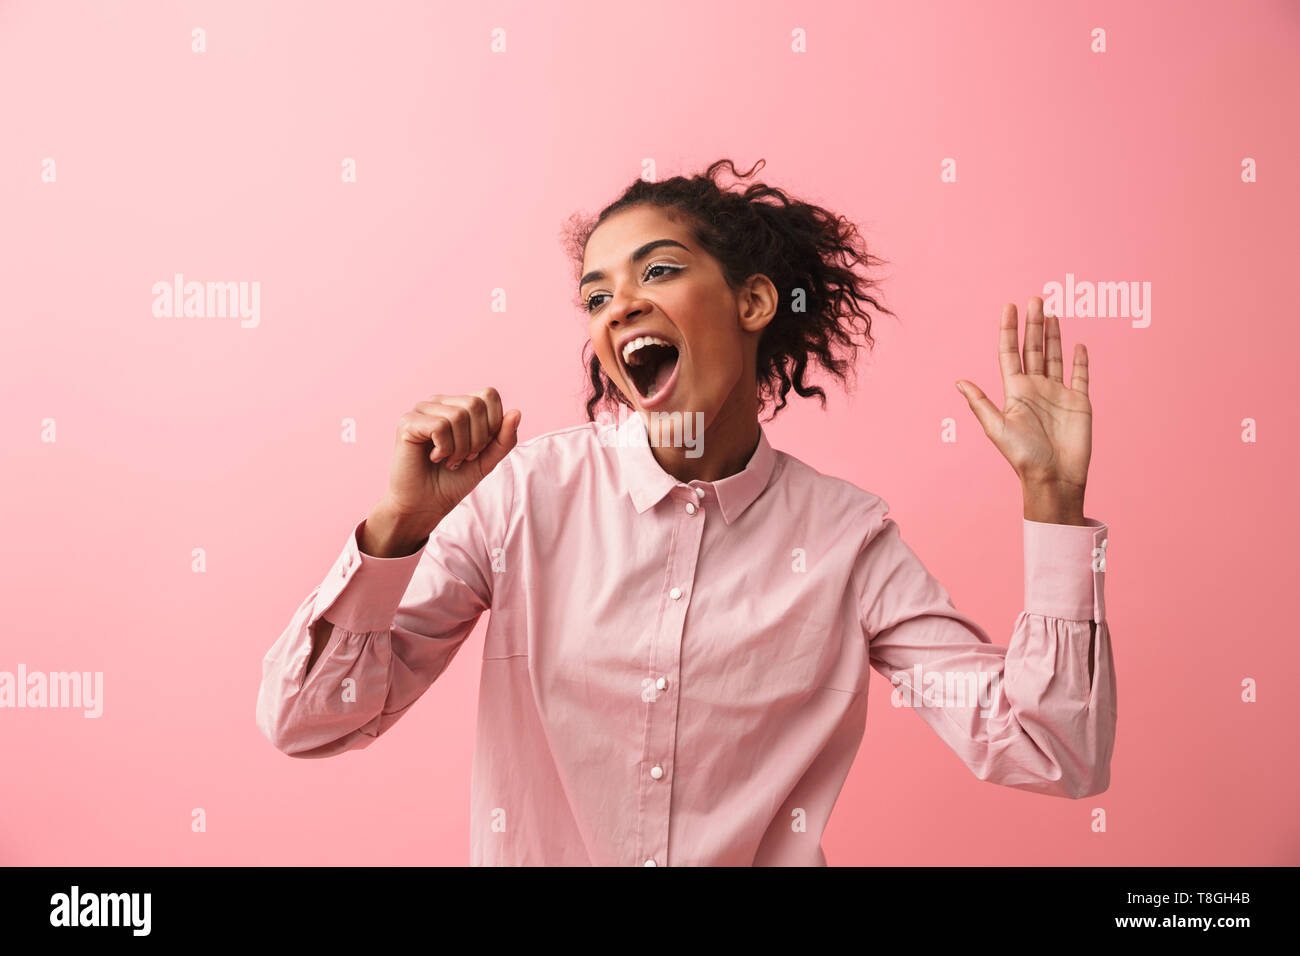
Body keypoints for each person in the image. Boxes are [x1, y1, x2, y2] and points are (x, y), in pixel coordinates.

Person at [256, 158, 1116, 866]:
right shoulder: (521, 496)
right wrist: (398, 531)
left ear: (751, 304)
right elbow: (307, 723)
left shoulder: (847, 542)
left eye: (658, 271)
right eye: (597, 296)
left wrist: (1053, 506)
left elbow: (1051, 750)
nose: (619, 305)